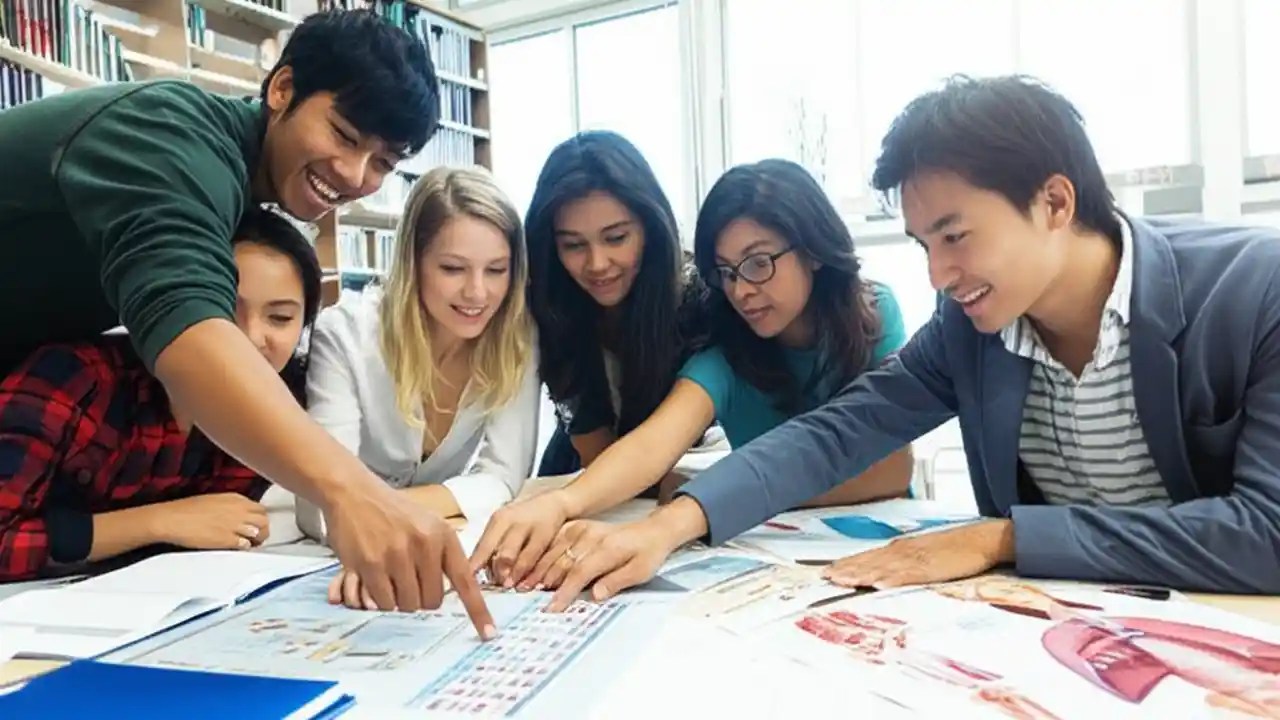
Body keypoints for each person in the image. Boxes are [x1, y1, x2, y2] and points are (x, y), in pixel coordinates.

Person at [532, 74, 1280, 612]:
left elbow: (1267, 534)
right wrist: (670, 525)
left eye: (955, 236)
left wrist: (1003, 540)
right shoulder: (968, 329)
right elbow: (834, 433)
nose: (938, 275)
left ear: (1055, 201)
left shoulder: (1255, 291)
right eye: (923, 244)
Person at [0, 9, 492, 628]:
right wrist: (352, 492)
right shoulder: (172, 138)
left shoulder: (230, 191)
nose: (355, 175)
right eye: (343, 135)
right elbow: (189, 334)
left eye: (383, 163)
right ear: (281, 89)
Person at [472, 159, 913, 590]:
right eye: (726, 272)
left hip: (885, 545)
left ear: (813, 250)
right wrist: (562, 502)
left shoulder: (873, 314)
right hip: (770, 557)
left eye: (758, 263)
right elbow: (652, 444)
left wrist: (726, 490)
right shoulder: (730, 351)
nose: (742, 290)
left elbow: (892, 472)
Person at [0, 207, 319, 581]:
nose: (249, 338)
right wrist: (159, 522)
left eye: (280, 318)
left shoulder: (280, 410)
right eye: (224, 308)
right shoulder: (76, 378)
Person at [299, 166, 540, 609]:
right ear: (413, 263)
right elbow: (320, 506)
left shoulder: (516, 340)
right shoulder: (345, 335)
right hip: (312, 553)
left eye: (496, 270)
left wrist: (378, 511)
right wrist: (426, 510)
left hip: (421, 538)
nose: (477, 292)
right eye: (453, 268)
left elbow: (504, 477)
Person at [522, 131, 728, 489]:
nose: (597, 264)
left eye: (616, 238)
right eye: (573, 245)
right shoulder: (551, 307)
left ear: (650, 228)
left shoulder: (702, 303)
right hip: (583, 477)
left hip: (687, 475)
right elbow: (595, 454)